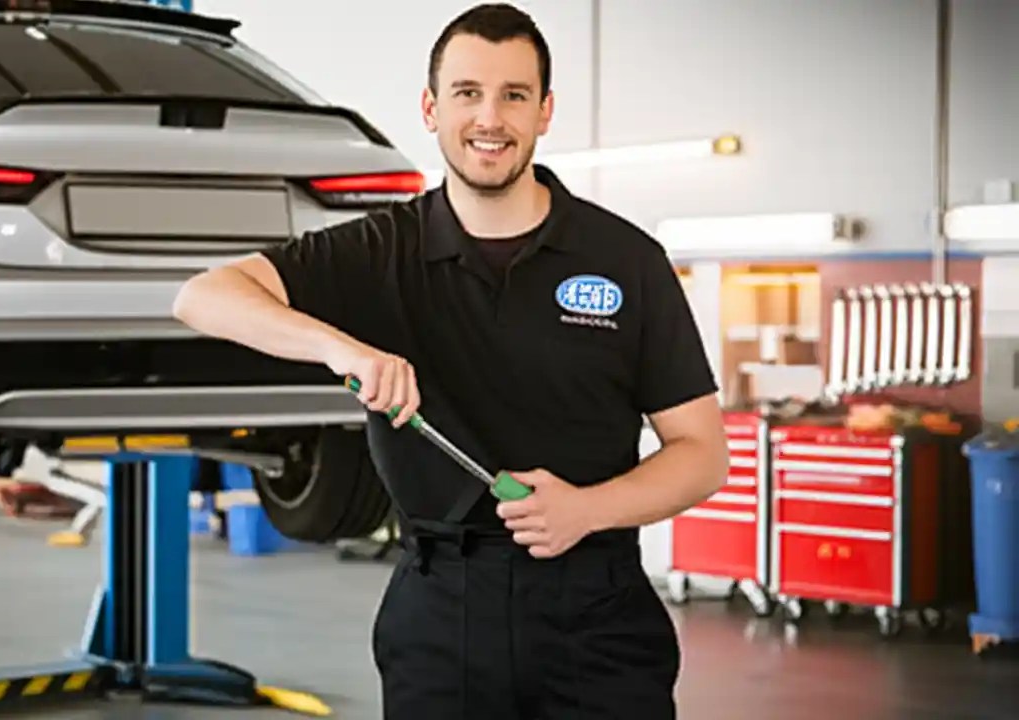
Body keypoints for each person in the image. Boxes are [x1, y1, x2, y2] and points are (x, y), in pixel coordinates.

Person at [173, 3, 729, 717]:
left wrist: (588, 510)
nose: (489, 118)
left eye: (513, 95)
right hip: (441, 614)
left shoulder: (626, 262)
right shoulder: (379, 252)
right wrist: (341, 347)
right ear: (432, 109)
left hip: (598, 614)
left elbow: (702, 453)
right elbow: (203, 296)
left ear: (545, 111)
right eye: (468, 93)